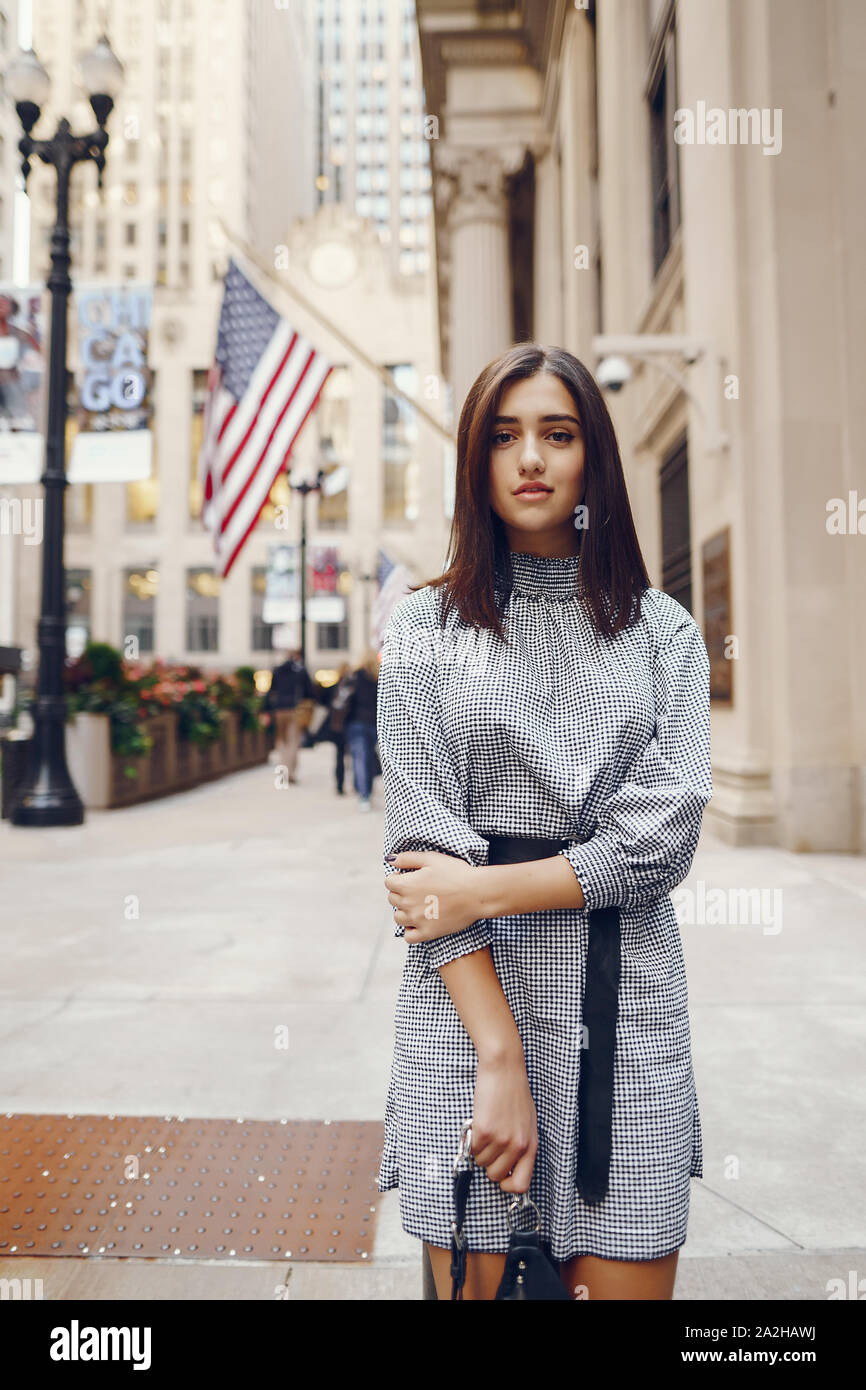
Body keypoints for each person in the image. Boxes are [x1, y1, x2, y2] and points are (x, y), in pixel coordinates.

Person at [377, 344, 712, 1301]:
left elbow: (662, 837)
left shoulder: (663, 633)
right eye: (504, 435)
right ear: (475, 463)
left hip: (625, 1007)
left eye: (557, 435)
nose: (531, 458)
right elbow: (417, 857)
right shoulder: (423, 630)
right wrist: (499, 1058)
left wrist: (474, 887)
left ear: (591, 460)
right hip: (464, 1008)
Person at [264, 647, 315, 784]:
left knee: (282, 742)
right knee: (293, 742)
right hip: (295, 709)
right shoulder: (300, 672)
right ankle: (290, 773)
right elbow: (310, 692)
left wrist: (267, 709)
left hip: (279, 710)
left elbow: (271, 691)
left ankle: (283, 773)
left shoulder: (277, 670)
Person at [342, 648, 380, 813]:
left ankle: (363, 795)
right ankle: (366, 791)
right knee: (370, 756)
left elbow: (344, 700)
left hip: (356, 723)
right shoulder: (379, 678)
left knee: (359, 758)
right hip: (374, 723)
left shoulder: (354, 676)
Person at [313, 660, 352, 795]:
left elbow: (322, 701)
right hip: (349, 725)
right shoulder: (353, 688)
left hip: (337, 726)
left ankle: (340, 784)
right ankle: (357, 784)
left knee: (340, 756)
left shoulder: (333, 687)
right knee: (354, 756)